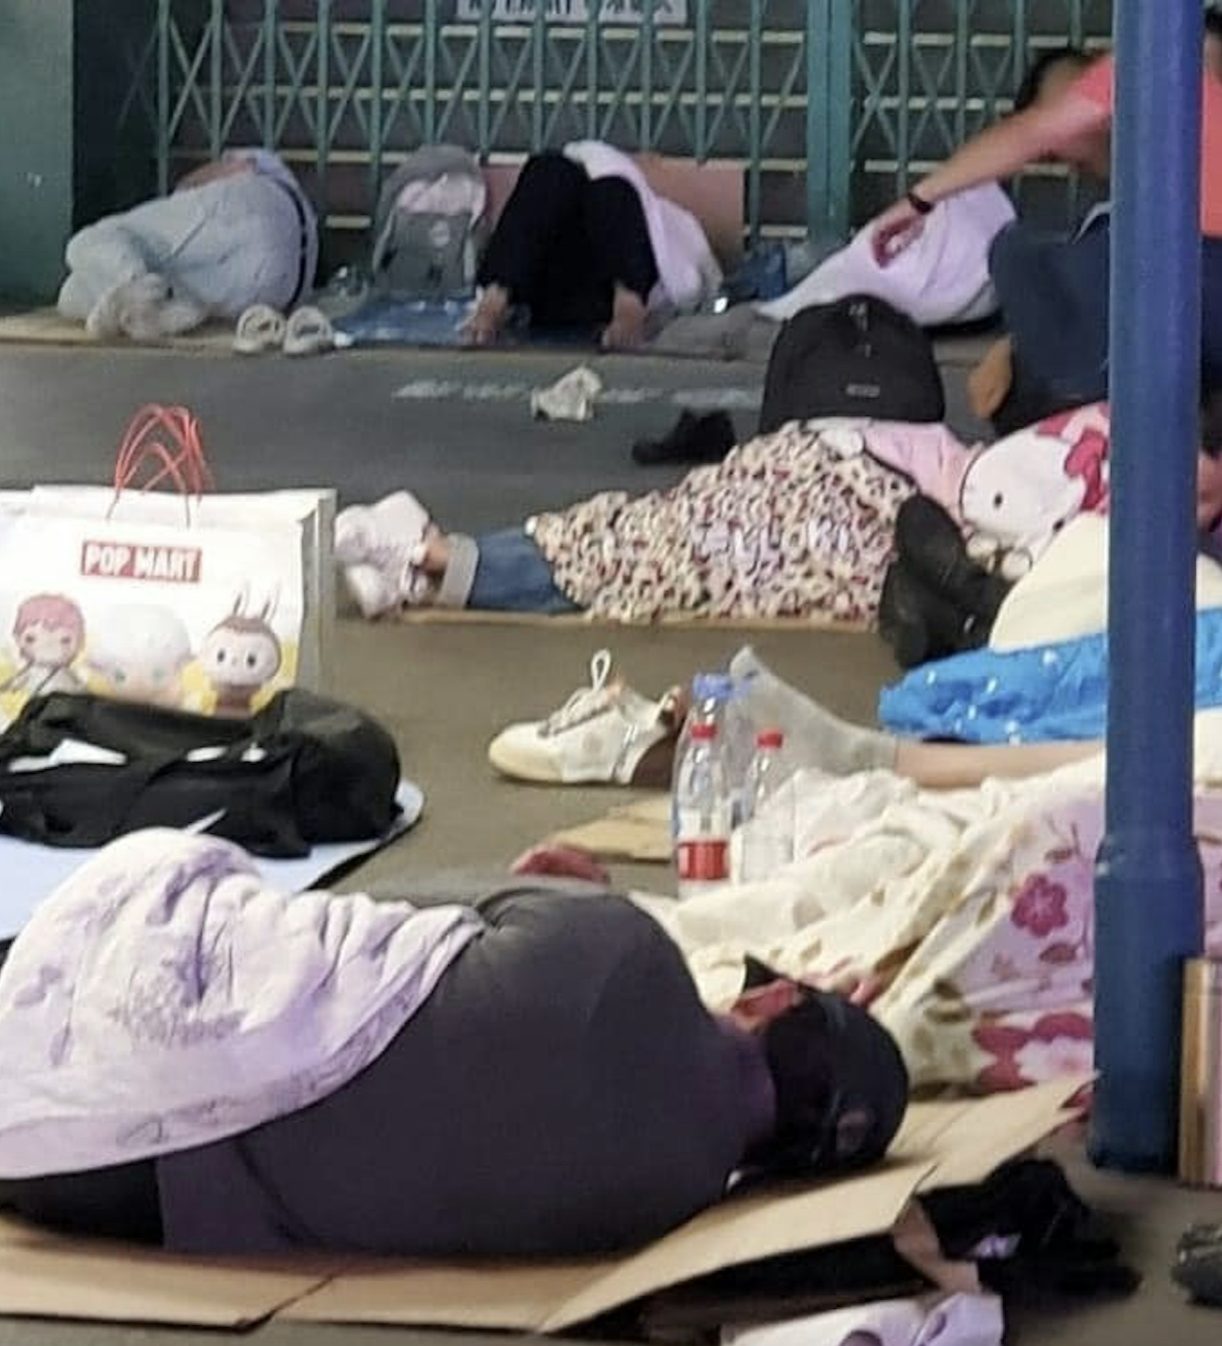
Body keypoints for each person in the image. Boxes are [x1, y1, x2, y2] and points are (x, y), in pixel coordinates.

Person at [0, 831, 907, 1255]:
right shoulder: (661, 1206)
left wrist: (578, 898)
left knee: (185, 872)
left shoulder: (625, 949)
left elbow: (365, 914)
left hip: (98, 1086)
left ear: (778, 993)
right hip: (92, 1196)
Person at [335, 398, 1222, 627]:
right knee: (666, 552)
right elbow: (995, 511)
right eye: (1205, 482)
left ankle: (431, 564)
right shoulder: (1103, 444)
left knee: (661, 554)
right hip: (852, 485)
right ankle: (436, 554)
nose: (1201, 507)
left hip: (862, 503)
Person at [874, 27, 1222, 416]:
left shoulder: (1165, 47)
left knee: (1018, 251)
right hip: (1180, 298)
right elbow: (1035, 133)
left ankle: (1088, 404)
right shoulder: (1175, 56)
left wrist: (918, 201)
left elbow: (1032, 133)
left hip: (1192, 278)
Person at [466, 141, 722, 349]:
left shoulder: (632, 203)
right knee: (548, 171)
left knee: (612, 191)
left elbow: (688, 272)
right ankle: (494, 301)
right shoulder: (557, 187)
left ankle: (628, 308)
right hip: (544, 285)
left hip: (609, 292)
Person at [57, 150, 317, 342]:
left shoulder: (267, 166)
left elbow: (241, 167)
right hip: (282, 287)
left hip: (253, 207)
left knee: (86, 242)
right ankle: (154, 304)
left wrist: (182, 189)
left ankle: (138, 285)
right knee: (71, 296)